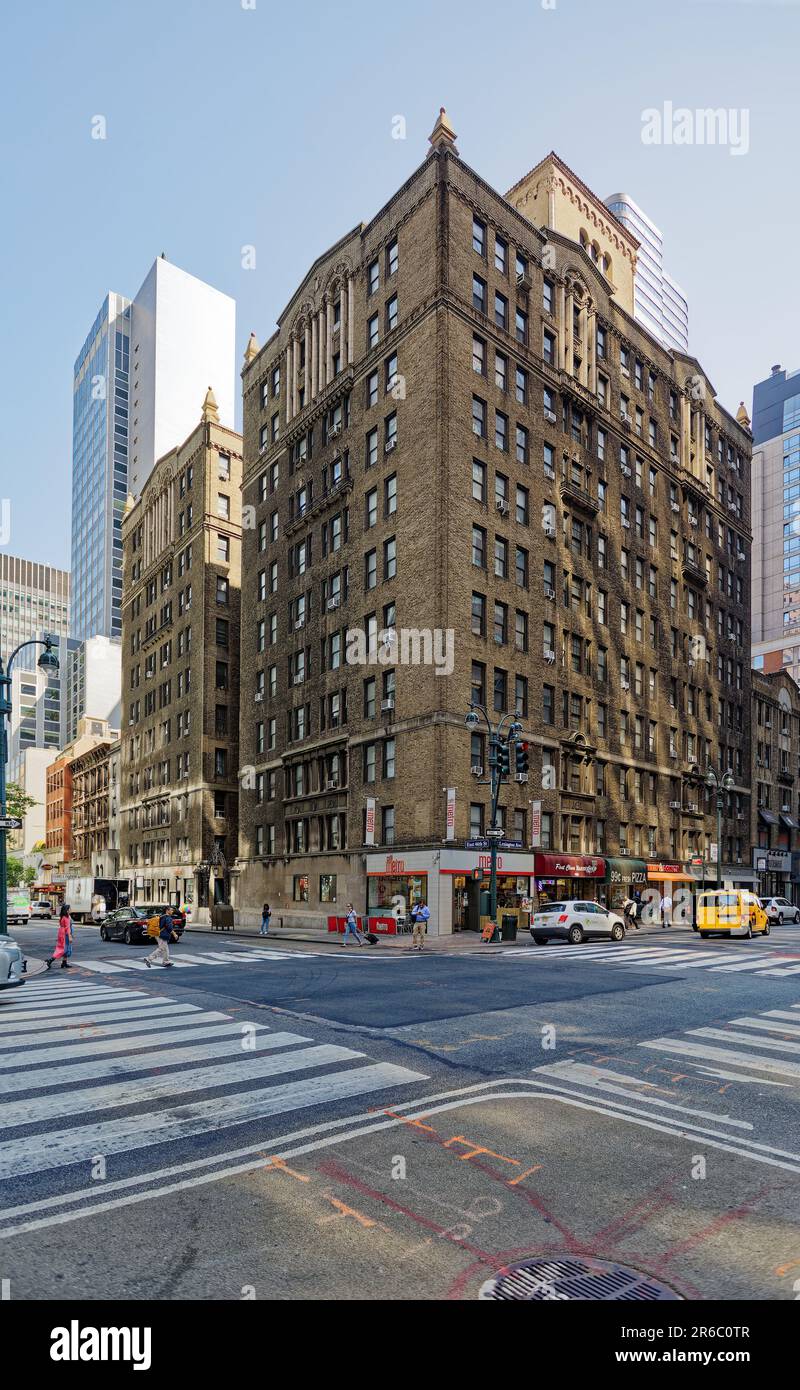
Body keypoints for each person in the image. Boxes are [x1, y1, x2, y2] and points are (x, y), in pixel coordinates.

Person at [45, 903, 73, 970]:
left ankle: (64, 962)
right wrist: (69, 936)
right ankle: (50, 960)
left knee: (65, 948)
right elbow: (67, 927)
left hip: (61, 933)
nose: (71, 910)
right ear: (67, 910)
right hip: (65, 934)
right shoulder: (66, 918)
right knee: (63, 949)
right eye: (70, 909)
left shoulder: (63, 917)